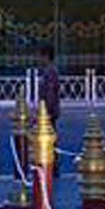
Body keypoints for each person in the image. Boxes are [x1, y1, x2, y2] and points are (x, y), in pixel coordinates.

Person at [37, 44, 62, 176]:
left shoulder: (50, 72)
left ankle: (53, 164)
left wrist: (46, 110)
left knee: (50, 139)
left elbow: (50, 93)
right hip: (48, 111)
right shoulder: (48, 71)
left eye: (42, 56)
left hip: (49, 112)